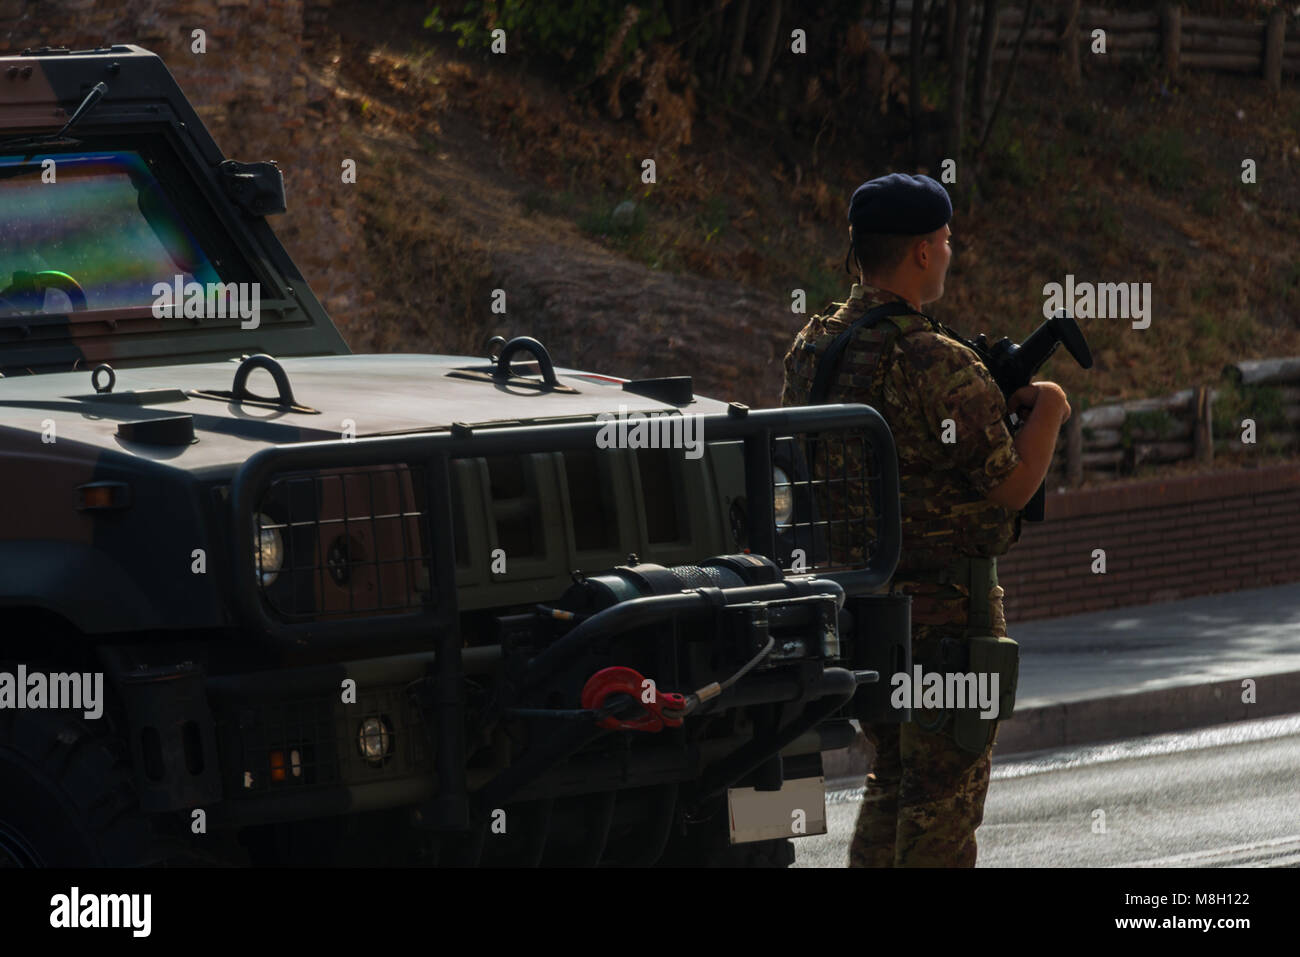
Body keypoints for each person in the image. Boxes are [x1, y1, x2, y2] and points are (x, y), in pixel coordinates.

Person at [779, 172, 1071, 867]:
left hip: (865, 614)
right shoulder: (932, 357)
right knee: (941, 812)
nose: (950, 252)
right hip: (945, 621)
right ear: (918, 250)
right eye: (944, 241)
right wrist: (1052, 406)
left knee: (893, 786)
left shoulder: (814, 346)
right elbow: (1010, 484)